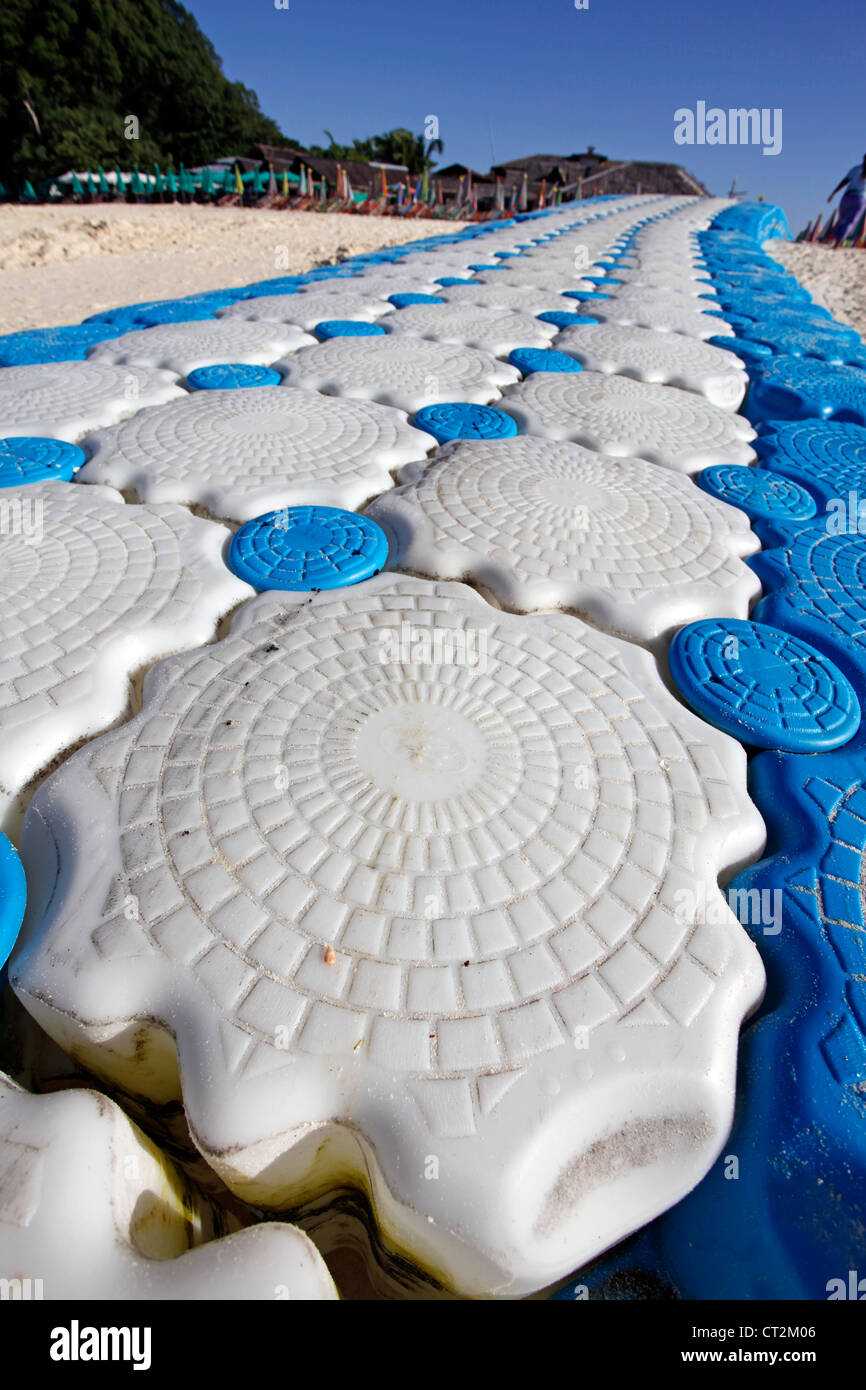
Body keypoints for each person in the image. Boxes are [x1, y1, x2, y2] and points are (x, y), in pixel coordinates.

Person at [827, 155, 866, 248]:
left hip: (847, 197)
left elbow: (845, 181)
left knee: (841, 219)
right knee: (850, 221)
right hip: (860, 200)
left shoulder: (856, 169)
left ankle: (836, 240)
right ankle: (838, 243)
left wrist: (833, 193)